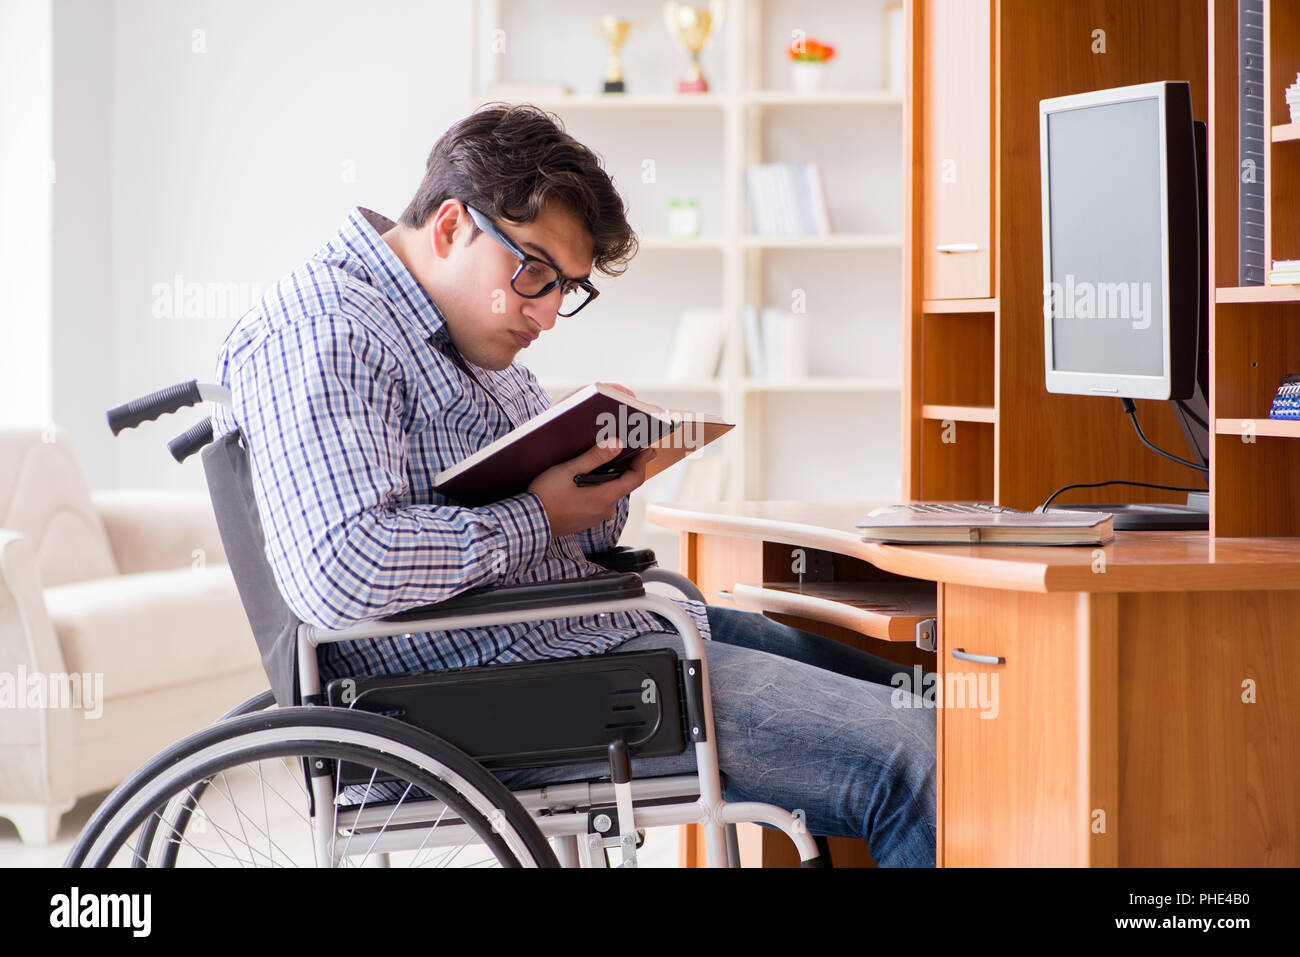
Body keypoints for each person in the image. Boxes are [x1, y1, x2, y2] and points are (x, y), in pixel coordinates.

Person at [212, 103, 935, 867]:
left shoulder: (457, 339)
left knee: (916, 691)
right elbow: (341, 565)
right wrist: (539, 514)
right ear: (452, 225)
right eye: (535, 273)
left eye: (569, 289)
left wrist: (600, 479)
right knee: (908, 752)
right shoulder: (329, 326)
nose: (549, 314)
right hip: (500, 690)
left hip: (584, 644)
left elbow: (549, 533)